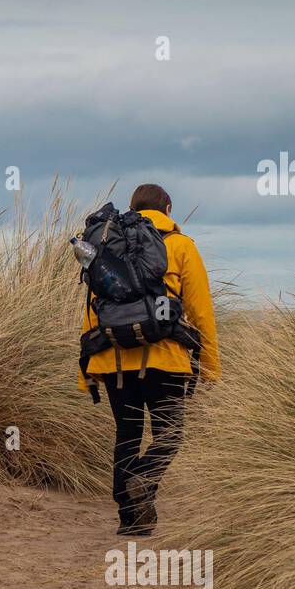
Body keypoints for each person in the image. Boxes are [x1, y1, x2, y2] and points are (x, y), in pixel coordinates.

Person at [79, 184, 219, 535]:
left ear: (133, 209)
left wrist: (87, 370)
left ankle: (131, 522)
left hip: (113, 358)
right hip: (165, 357)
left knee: (127, 435)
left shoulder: (108, 244)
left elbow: (94, 309)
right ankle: (143, 479)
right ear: (168, 209)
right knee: (169, 434)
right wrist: (210, 367)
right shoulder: (181, 245)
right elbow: (201, 311)